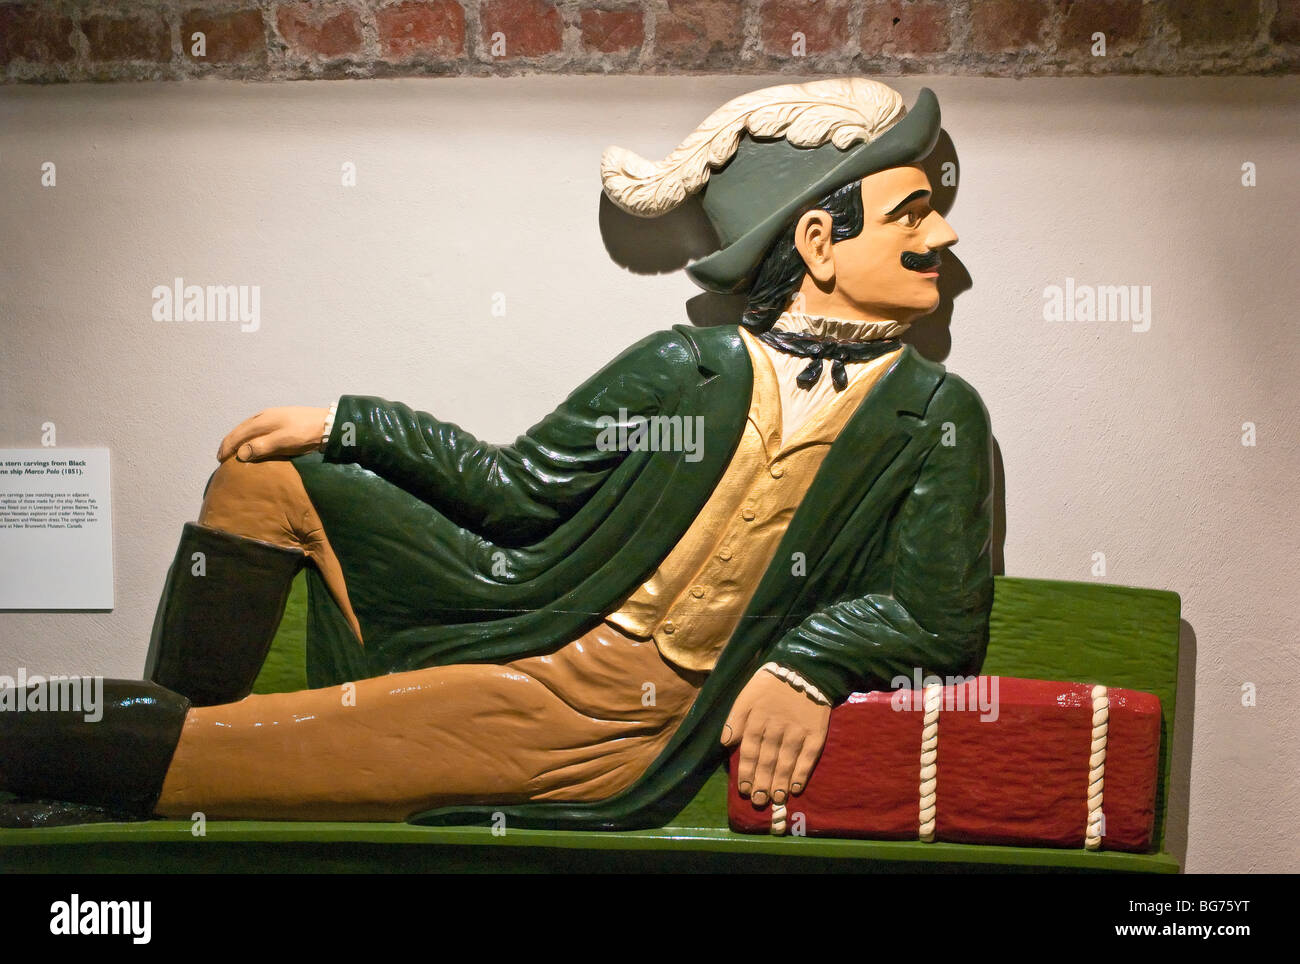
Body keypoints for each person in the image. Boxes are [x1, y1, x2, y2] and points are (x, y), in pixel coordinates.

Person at [0, 78, 994, 830]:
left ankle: (126, 783)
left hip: (598, 714)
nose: (942, 236)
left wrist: (806, 665)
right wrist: (351, 422)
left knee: (222, 753)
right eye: (912, 213)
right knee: (264, 478)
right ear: (818, 241)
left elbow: (938, 617)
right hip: (521, 610)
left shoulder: (935, 416)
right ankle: (154, 769)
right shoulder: (683, 367)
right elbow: (518, 488)